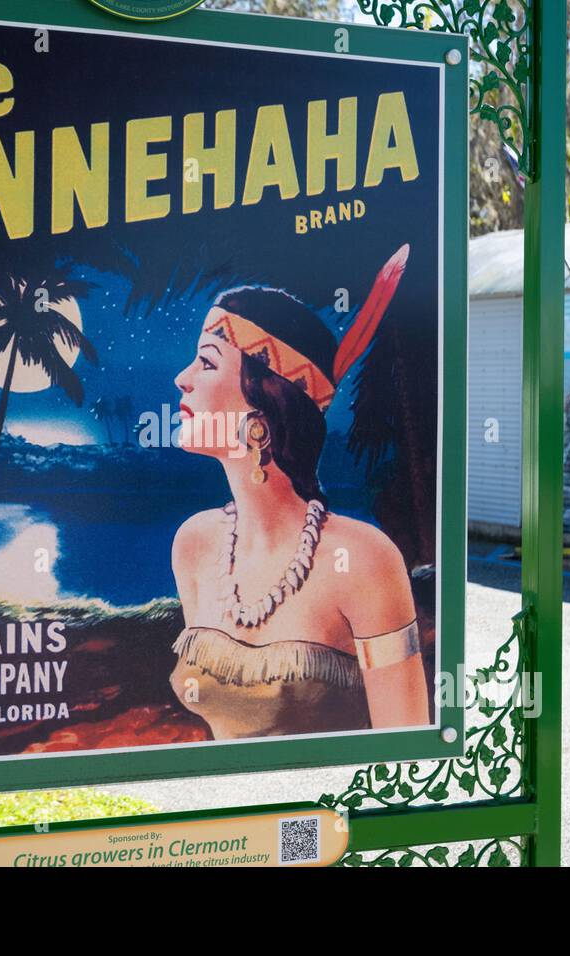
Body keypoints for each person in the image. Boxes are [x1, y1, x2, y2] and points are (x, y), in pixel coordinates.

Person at [167, 246, 430, 740]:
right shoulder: (194, 544)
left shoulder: (366, 560)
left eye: (206, 363)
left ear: (265, 402)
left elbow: (405, 746)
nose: (182, 379)